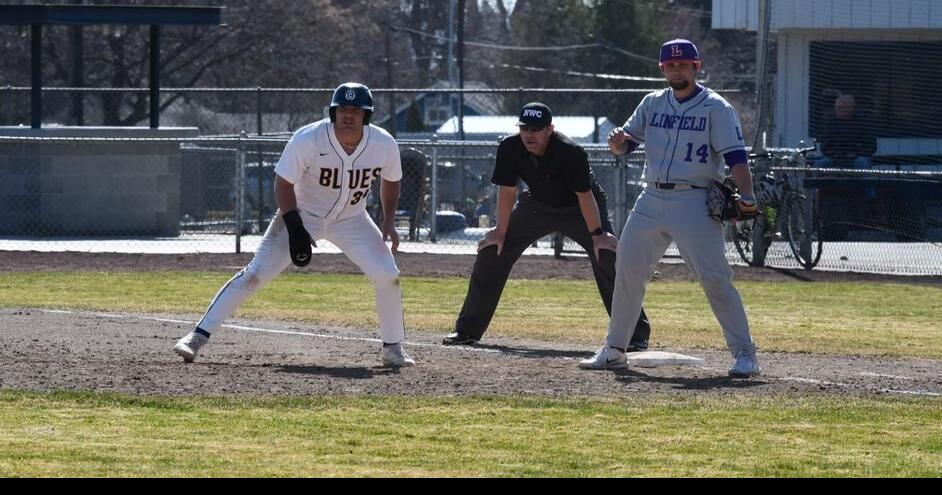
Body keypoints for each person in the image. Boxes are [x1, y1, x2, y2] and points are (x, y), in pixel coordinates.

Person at [173, 82, 415, 368]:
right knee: (255, 274)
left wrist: (388, 221)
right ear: (333, 111)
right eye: (342, 109)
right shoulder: (309, 138)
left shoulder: (383, 143)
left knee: (387, 274)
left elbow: (392, 180)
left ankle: (393, 348)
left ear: (367, 115)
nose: (348, 115)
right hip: (301, 214)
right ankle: (197, 337)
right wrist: (295, 225)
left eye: (356, 110)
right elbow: (283, 183)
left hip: (352, 219)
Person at [579, 39, 761, 377]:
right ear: (662, 68)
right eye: (671, 65)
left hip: (694, 198)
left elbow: (736, 157)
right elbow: (626, 145)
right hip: (651, 198)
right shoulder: (652, 103)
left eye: (683, 64)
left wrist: (748, 197)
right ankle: (615, 349)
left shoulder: (716, 107)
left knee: (715, 279)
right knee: (627, 270)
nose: (677, 69)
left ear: (696, 67)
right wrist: (618, 144)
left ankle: (745, 353)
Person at [442, 102, 652, 349]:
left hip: (579, 207)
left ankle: (634, 335)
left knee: (606, 255)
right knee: (492, 250)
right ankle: (467, 330)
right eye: (525, 128)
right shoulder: (510, 147)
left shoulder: (570, 151)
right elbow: (508, 190)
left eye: (536, 129)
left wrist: (597, 235)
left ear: (550, 129)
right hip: (537, 205)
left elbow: (585, 196)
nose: (529, 134)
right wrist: (500, 231)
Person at [817, 93, 877, 170]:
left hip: (857, 157)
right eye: (838, 107)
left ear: (851, 108)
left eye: (843, 107)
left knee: (863, 163)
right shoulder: (830, 124)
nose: (840, 110)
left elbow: (871, 146)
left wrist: (855, 152)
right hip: (834, 157)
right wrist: (834, 153)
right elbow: (824, 146)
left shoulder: (863, 123)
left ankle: (864, 182)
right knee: (819, 164)